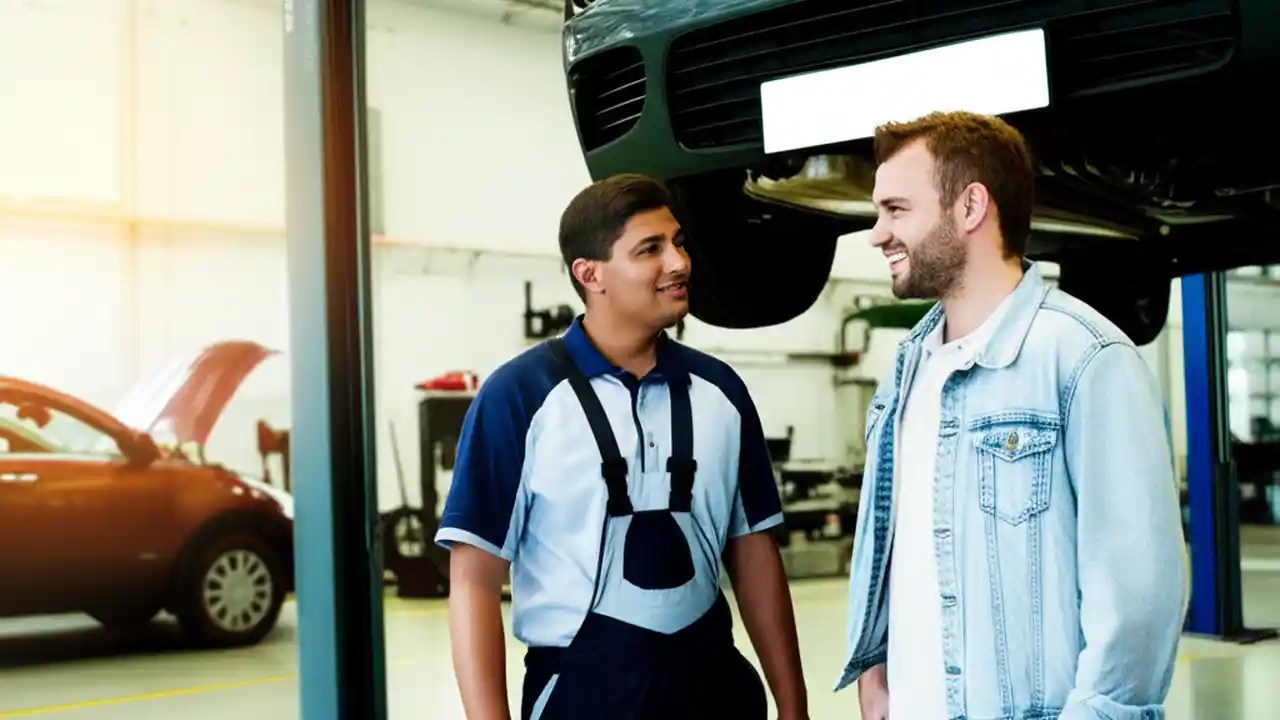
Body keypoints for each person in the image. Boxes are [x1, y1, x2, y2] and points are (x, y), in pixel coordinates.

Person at [835, 111, 1188, 720]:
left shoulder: (1084, 359)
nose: (877, 233)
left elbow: (1138, 602)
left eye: (896, 210)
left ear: (970, 207)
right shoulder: (907, 366)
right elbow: (900, 550)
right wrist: (875, 672)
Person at [436, 173, 808, 720]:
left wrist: (793, 707)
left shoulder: (721, 392)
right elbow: (474, 578)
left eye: (678, 242)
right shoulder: (519, 397)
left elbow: (753, 554)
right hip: (583, 696)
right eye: (649, 249)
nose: (679, 263)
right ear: (591, 275)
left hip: (715, 691)